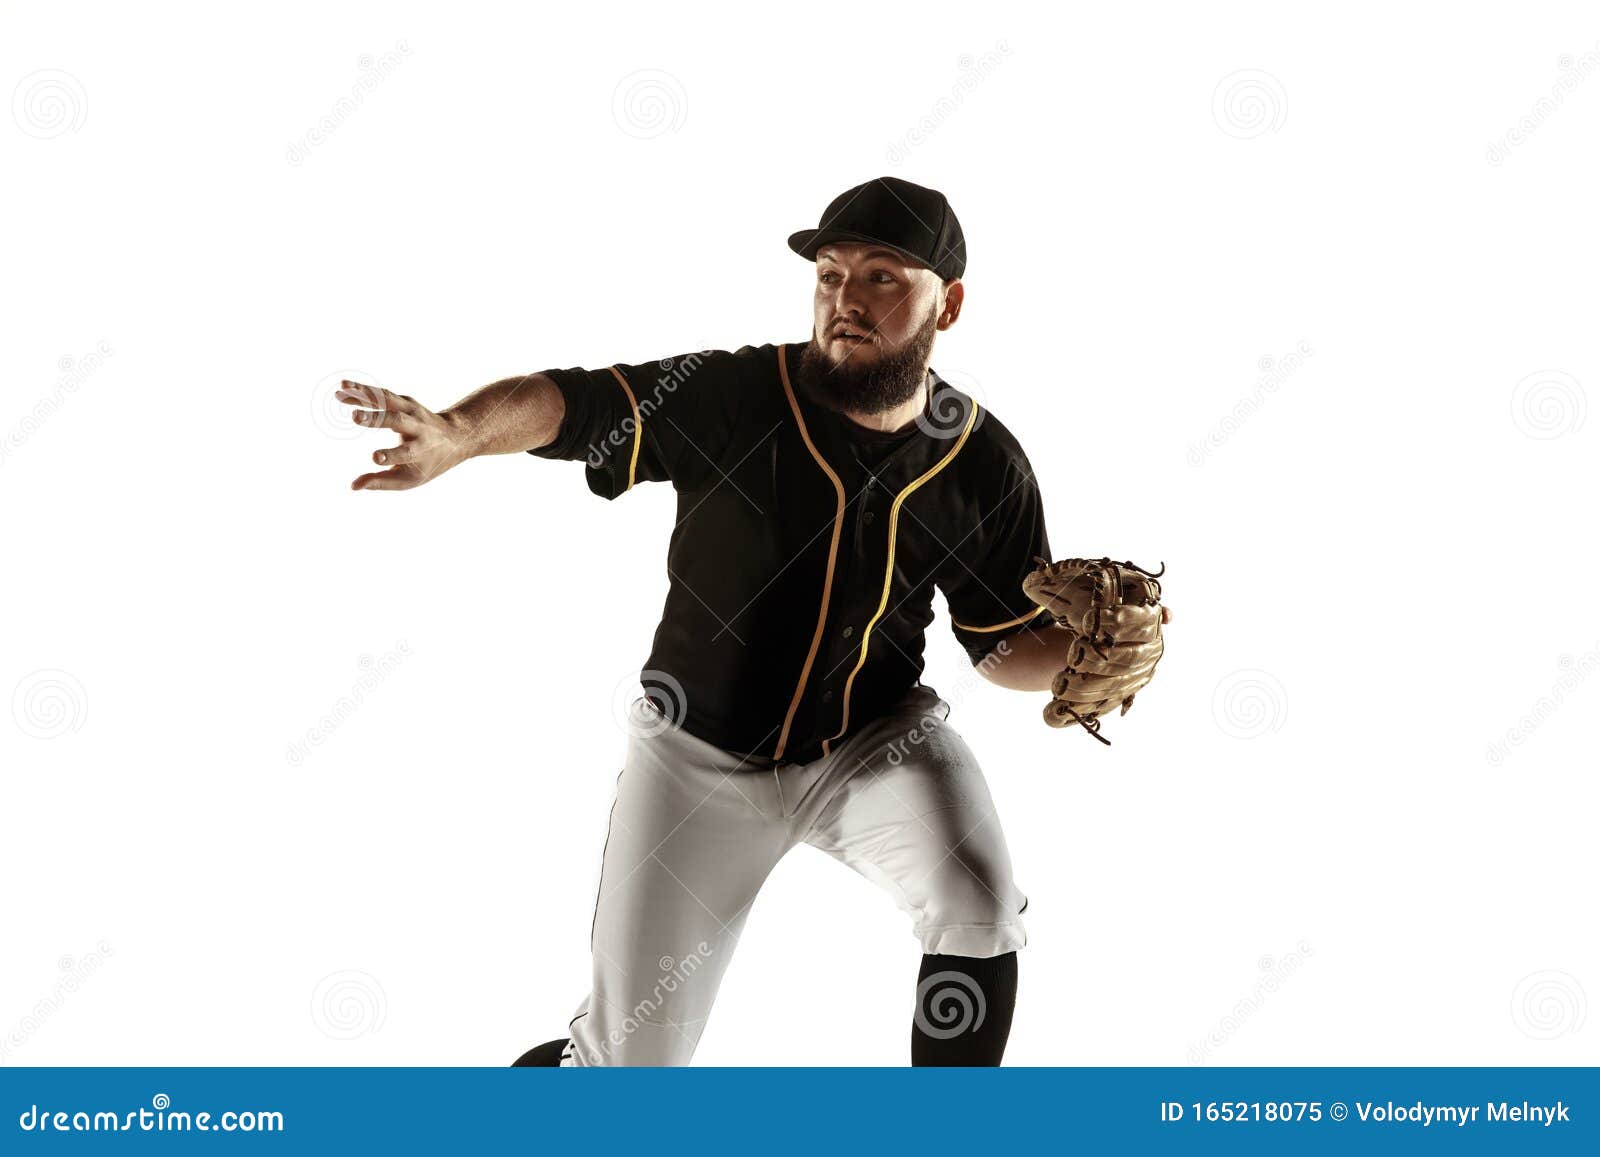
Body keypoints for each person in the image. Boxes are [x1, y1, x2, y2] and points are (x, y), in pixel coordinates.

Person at [340, 176, 1146, 1066]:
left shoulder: (982, 459)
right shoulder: (736, 394)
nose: (847, 298)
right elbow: (577, 403)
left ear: (946, 305)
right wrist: (459, 430)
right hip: (698, 760)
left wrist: (1084, 659)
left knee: (980, 906)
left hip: (870, 742)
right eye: (832, 273)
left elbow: (1000, 645)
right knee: (628, 1068)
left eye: (883, 276)